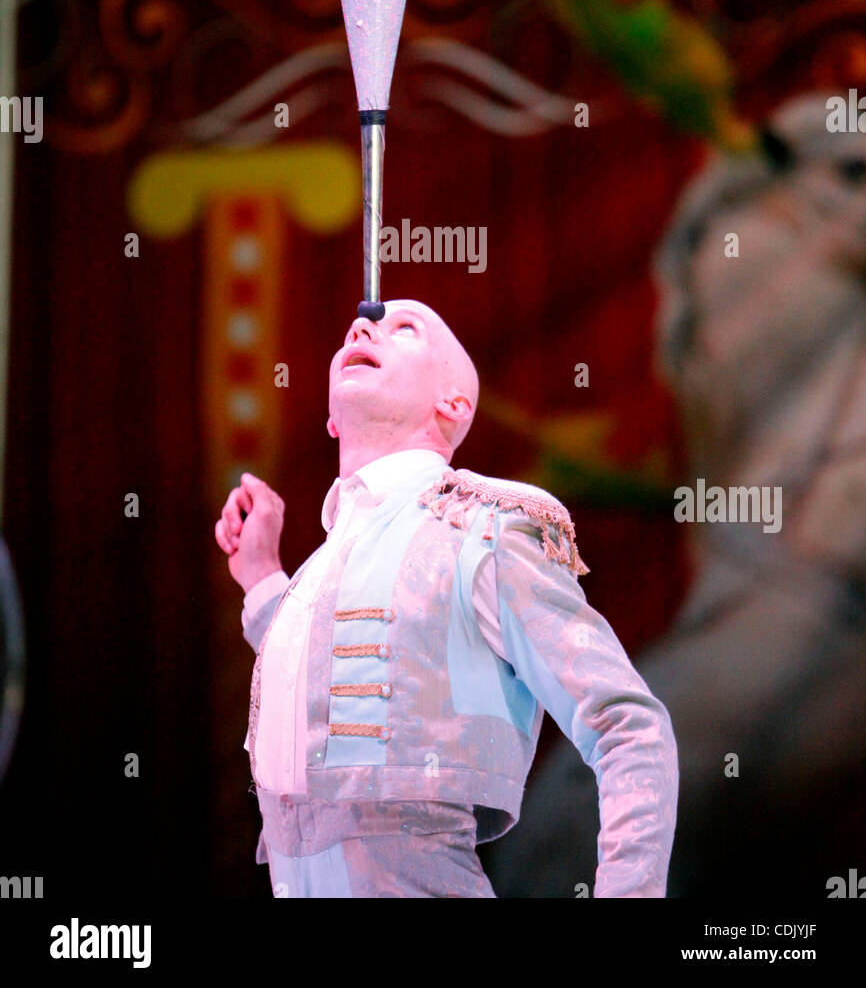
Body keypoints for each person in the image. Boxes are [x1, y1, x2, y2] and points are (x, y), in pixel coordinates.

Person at [215, 299, 678, 898]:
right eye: (359, 327)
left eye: (404, 328)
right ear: (332, 419)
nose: (362, 326)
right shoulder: (314, 575)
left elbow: (628, 724)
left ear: (454, 404)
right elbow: (327, 690)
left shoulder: (484, 532)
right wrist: (260, 576)